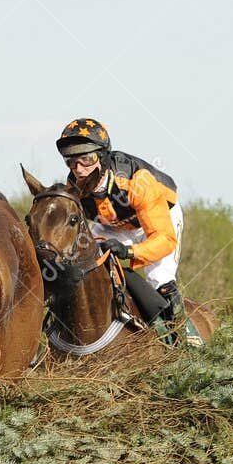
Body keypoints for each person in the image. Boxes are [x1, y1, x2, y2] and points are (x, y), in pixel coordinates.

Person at [55, 117, 202, 347]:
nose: (79, 169)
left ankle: (183, 341)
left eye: (86, 159)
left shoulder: (137, 182)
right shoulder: (75, 185)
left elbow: (164, 239)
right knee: (86, 264)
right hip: (115, 224)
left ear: (102, 157)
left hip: (158, 222)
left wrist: (129, 251)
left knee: (160, 279)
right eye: (71, 162)